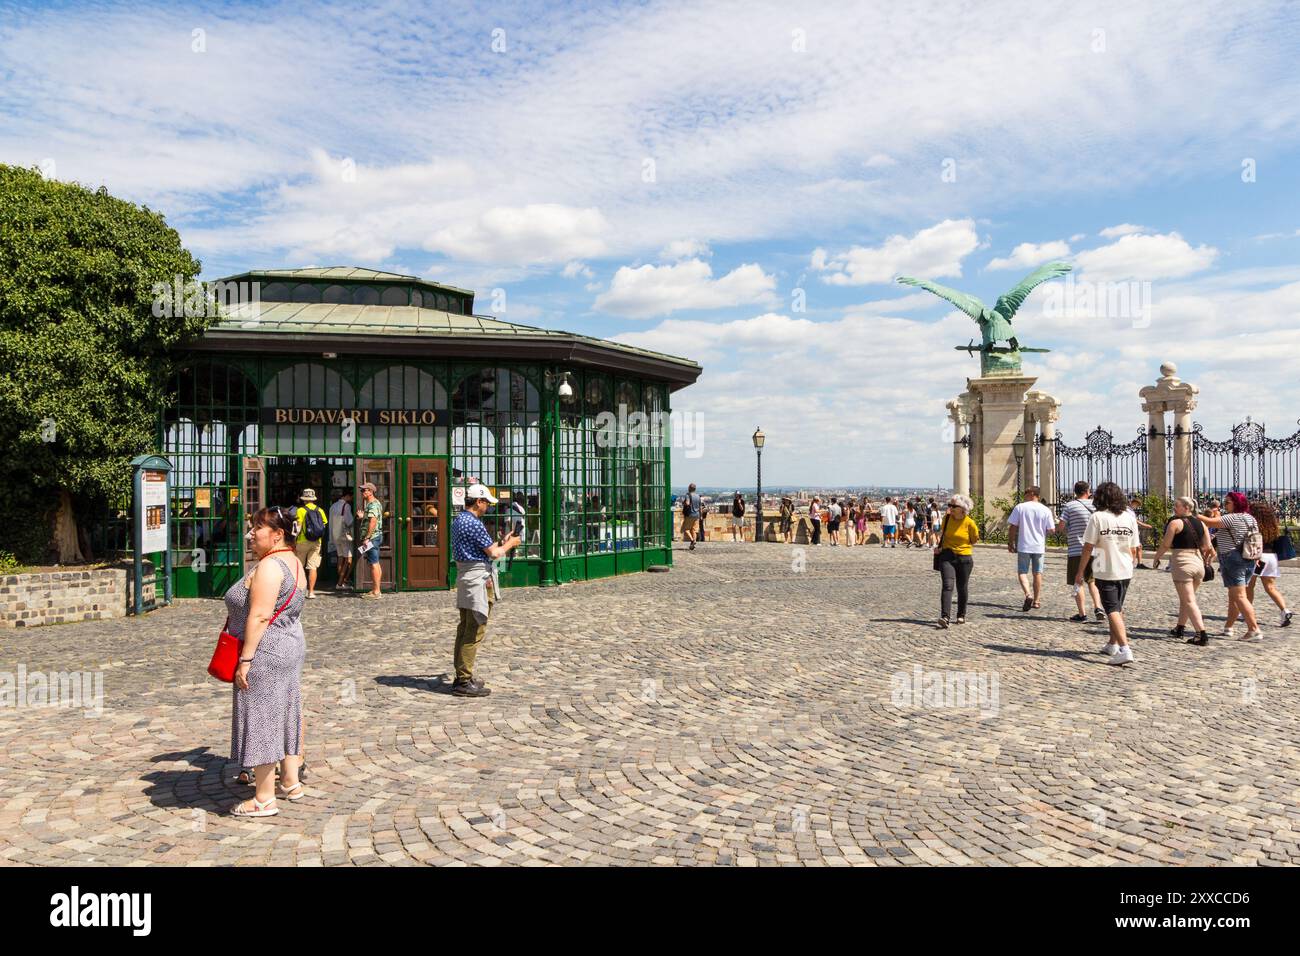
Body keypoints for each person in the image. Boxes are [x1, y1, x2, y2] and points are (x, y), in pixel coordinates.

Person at [227, 505, 308, 817]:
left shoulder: (270, 567)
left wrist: (246, 659)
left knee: (261, 716)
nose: (250, 534)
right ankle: (290, 781)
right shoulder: (293, 562)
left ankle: (263, 798)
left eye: (257, 528)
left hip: (267, 649)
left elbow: (260, 615)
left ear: (277, 534)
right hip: (289, 644)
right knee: (285, 711)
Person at [448, 484, 521, 697]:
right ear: (478, 501)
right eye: (486, 502)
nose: (488, 506)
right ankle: (463, 680)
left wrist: (502, 542)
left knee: (464, 628)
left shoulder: (459, 520)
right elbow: (495, 554)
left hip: (465, 578)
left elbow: (485, 549)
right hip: (477, 581)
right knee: (474, 629)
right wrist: (511, 543)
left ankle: (462, 675)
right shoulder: (474, 523)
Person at [1075, 482, 1139, 665]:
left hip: (1105, 568)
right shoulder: (1129, 517)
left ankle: (1125, 649)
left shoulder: (1097, 517)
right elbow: (1134, 548)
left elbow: (1088, 547)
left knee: (1111, 609)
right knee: (1117, 608)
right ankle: (1112, 643)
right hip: (1125, 568)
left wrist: (1080, 571)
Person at [1151, 495, 1215, 645]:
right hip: (1198, 562)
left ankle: (1201, 634)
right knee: (1186, 598)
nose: (1174, 508)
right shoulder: (1201, 523)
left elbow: (1166, 544)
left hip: (1182, 562)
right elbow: (1207, 546)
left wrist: (1157, 557)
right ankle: (1180, 627)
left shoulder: (1175, 523)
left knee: (1189, 600)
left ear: (1186, 507)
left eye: (1177, 505)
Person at [1201, 491, 1263, 641]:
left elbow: (1209, 522)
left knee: (1240, 596)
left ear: (1236, 503)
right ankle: (1229, 627)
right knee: (1234, 596)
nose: (1224, 504)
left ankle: (1254, 629)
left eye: (1227, 502)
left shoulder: (1231, 518)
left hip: (1233, 558)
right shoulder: (1250, 518)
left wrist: (1191, 513)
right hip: (1249, 558)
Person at [1226, 500, 1293, 630]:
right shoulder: (1272, 525)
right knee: (1271, 587)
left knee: (1249, 586)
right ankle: (1285, 610)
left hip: (1257, 557)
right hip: (1271, 557)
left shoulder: (1252, 524)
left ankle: (1246, 611)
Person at [1057, 481, 1104, 622]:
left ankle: (1082, 614)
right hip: (1095, 549)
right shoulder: (1096, 507)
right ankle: (1098, 607)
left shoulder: (1070, 506)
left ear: (1075, 491)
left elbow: (1061, 527)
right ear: (1088, 491)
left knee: (1078, 581)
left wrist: (1068, 530)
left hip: (1076, 549)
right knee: (1093, 581)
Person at [1007, 486, 1056, 612]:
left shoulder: (1020, 507)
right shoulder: (1045, 510)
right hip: (1039, 546)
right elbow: (1051, 530)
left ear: (1032, 493)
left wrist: (1011, 542)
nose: (1024, 495)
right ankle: (1037, 601)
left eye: (1026, 492)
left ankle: (1028, 594)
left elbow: (1013, 527)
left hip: (1024, 545)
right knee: (1037, 573)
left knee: (1022, 572)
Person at [935, 494, 979, 627]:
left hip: (964, 558)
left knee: (962, 587)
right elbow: (942, 534)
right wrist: (939, 547)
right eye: (950, 505)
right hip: (947, 556)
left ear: (963, 508)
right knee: (947, 586)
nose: (950, 508)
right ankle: (945, 617)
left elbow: (974, 540)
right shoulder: (947, 518)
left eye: (953, 506)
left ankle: (961, 614)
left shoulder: (970, 523)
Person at [293, 488, 328, 599]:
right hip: (316, 541)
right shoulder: (320, 510)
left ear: (304, 499)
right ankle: (311, 592)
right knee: (313, 567)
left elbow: (297, 527)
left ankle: (298, 592)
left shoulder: (300, 510)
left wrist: (293, 540)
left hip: (302, 541)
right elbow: (324, 525)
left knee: (299, 566)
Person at [356, 481, 384, 598]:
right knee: (375, 563)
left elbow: (373, 521)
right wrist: (362, 517)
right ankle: (375, 590)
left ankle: (376, 592)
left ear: (371, 491)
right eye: (361, 490)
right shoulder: (373, 504)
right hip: (375, 537)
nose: (362, 492)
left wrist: (367, 537)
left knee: (374, 564)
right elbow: (370, 519)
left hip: (372, 538)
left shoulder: (373, 505)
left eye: (364, 490)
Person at [329, 489, 354, 591]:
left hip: (335, 535)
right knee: (349, 559)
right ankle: (342, 582)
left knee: (340, 557)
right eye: (351, 497)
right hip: (344, 536)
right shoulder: (346, 506)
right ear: (347, 496)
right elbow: (349, 521)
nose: (352, 499)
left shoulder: (333, 506)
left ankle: (341, 580)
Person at [1128, 496, 1153, 569]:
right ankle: (1132, 564)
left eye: (1138, 505)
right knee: (1134, 548)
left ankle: (1139, 563)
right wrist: (1145, 525)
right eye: (1136, 504)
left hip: (1134, 531)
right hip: (1131, 532)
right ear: (1133, 503)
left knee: (1139, 546)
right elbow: (1135, 521)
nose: (1137, 506)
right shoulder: (1127, 510)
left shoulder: (1131, 511)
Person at [681, 483, 701, 550]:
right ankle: (693, 544)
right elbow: (700, 507)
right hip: (697, 515)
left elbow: (687, 503)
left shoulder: (688, 495)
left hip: (690, 514)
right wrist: (700, 515)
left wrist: (684, 503)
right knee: (694, 530)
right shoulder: (698, 496)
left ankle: (692, 540)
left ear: (689, 488)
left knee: (686, 529)